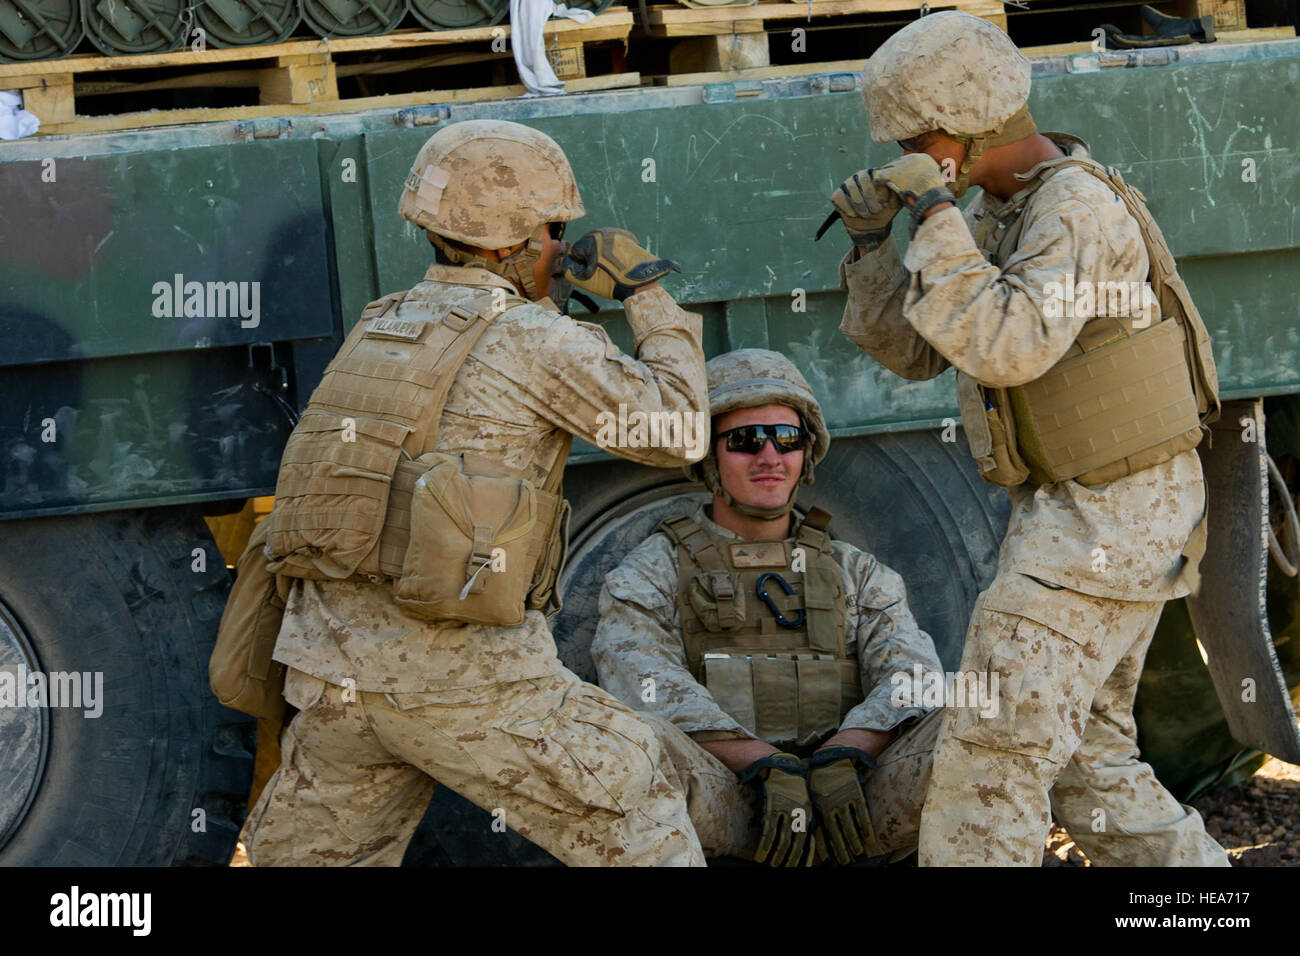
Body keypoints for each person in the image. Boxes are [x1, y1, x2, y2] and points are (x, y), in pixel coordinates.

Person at [239, 119, 711, 866]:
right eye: (557, 230)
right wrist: (645, 292)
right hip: (459, 678)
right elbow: (681, 431)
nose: (563, 246)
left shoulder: (383, 322)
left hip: (333, 678)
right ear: (510, 244)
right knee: (636, 801)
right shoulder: (533, 339)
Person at [829, 11, 1228, 866]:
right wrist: (875, 245)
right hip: (1086, 512)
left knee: (990, 763)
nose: (899, 148)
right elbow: (915, 348)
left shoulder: (1073, 209)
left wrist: (933, 210)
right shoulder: (996, 209)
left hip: (1102, 523)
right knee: (1090, 766)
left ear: (960, 131)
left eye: (912, 134)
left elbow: (1005, 348)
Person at [591, 348, 944, 866]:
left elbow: (913, 675)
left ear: (807, 454)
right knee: (618, 744)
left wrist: (845, 752)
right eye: (745, 440)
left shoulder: (855, 570)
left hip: (853, 798)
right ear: (709, 457)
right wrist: (761, 762)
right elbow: (637, 677)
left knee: (983, 720)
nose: (770, 457)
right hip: (731, 802)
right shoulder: (654, 569)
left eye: (787, 439)